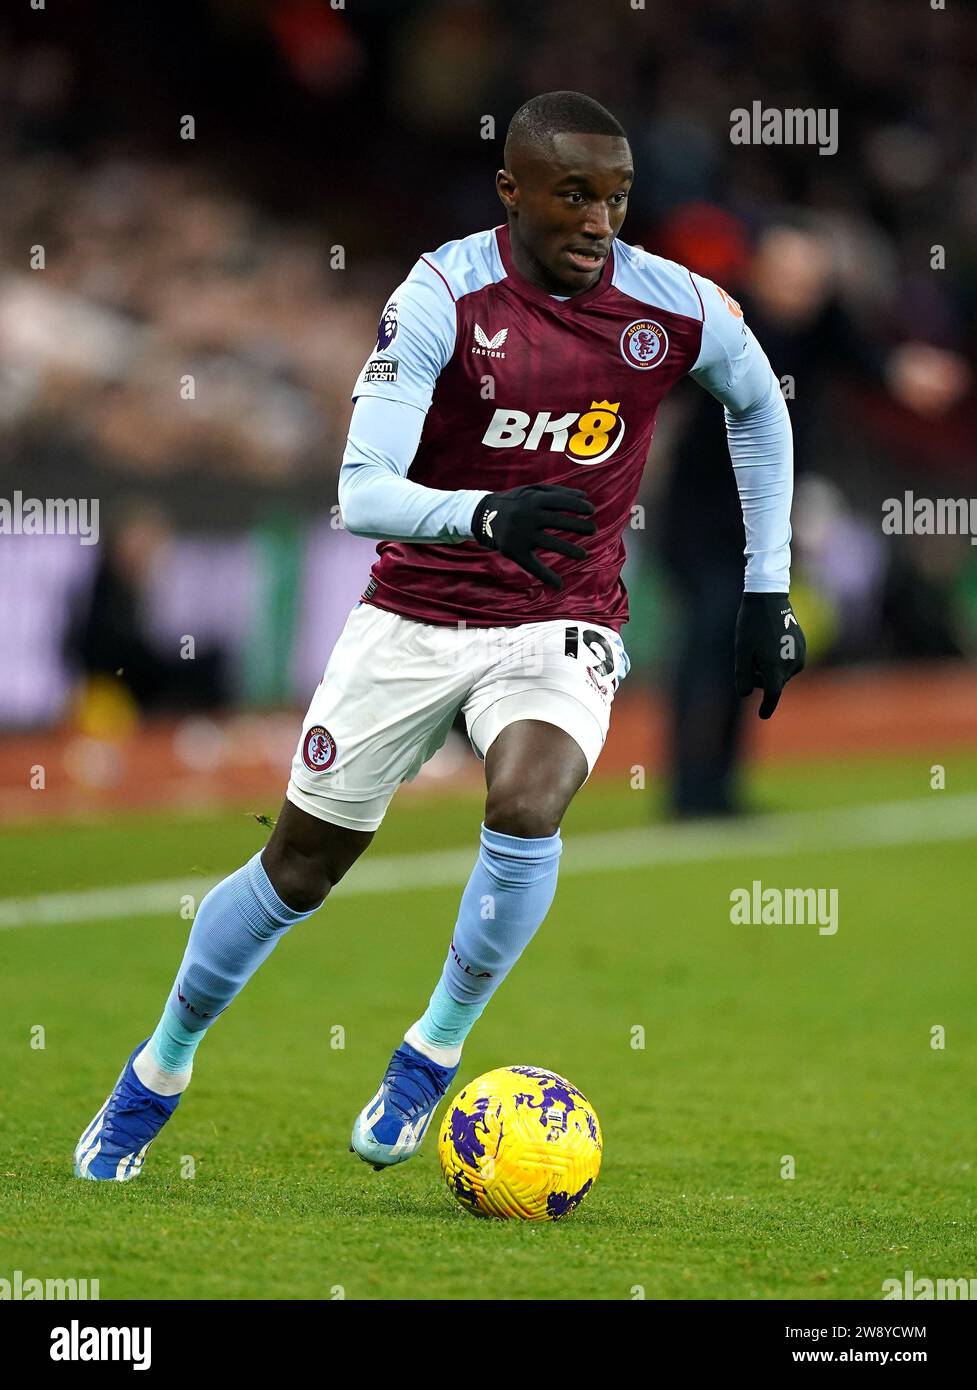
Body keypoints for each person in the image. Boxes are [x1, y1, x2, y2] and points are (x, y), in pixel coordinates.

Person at [73, 91, 805, 1182]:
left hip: (560, 618)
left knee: (528, 798)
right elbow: (359, 487)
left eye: (614, 198)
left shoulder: (674, 306)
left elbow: (759, 403)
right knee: (299, 867)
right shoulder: (440, 295)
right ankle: (159, 1067)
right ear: (510, 191)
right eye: (571, 196)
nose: (599, 221)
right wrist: (480, 513)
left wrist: (765, 591)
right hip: (413, 614)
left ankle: (432, 1049)